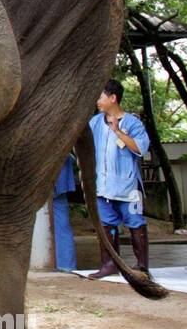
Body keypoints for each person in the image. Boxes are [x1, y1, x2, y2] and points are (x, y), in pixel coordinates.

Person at [87, 79, 151, 278]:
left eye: (101, 96)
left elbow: (141, 148)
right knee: (106, 224)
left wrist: (118, 132)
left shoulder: (133, 123)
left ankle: (142, 267)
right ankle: (109, 264)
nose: (97, 101)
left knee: (135, 223)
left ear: (113, 98)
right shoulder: (95, 122)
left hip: (128, 187)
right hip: (102, 186)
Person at [52, 154, 77, 272]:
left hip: (50, 177)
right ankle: (66, 266)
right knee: (62, 225)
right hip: (60, 178)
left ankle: (65, 265)